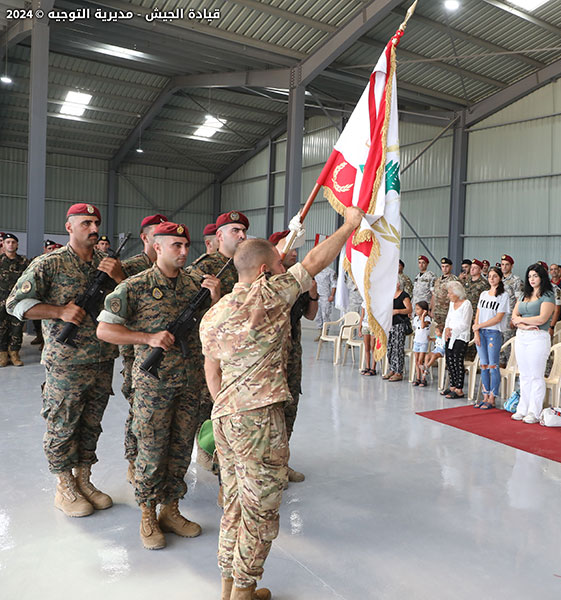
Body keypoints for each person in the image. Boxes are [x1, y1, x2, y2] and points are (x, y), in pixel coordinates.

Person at [200, 207, 363, 600]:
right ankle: (243, 591)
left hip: (224, 416)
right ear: (262, 273)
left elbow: (212, 370)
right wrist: (350, 226)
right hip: (258, 420)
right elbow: (313, 261)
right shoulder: (270, 298)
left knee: (236, 504)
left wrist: (226, 402)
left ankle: (228, 584)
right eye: (274, 267)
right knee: (260, 510)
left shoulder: (215, 313)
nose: (280, 271)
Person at [97, 222, 220, 549]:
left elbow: (214, 324)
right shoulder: (134, 287)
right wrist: (147, 338)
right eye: (175, 245)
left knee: (180, 450)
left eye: (185, 245)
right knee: (151, 453)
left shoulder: (196, 285)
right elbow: (105, 331)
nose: (182, 252)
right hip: (153, 387)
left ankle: (172, 510)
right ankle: (148, 515)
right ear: (157, 246)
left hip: (190, 383)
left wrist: (216, 298)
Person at [7, 203, 125, 516]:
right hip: (66, 361)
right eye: (86, 222)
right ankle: (64, 485)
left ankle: (84, 480)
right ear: (69, 227)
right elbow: (15, 304)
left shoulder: (108, 263)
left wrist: (121, 276)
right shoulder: (51, 263)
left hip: (102, 358)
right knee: (63, 423)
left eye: (96, 222)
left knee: (91, 423)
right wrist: (59, 311)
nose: (93, 227)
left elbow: (130, 303)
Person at [188, 210, 247, 473]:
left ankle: (233, 452)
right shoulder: (203, 268)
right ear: (220, 235)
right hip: (212, 351)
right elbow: (189, 313)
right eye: (236, 230)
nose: (242, 235)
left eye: (244, 231)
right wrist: (216, 300)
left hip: (241, 352)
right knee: (208, 402)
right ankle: (207, 451)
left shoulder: (248, 265)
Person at [119, 213, 169, 480]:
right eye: (155, 232)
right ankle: (133, 458)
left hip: (165, 354)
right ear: (146, 238)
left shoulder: (172, 268)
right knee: (137, 407)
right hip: (135, 350)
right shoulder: (131, 267)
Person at [271, 231, 318, 483]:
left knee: (290, 408)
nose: (295, 253)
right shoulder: (265, 279)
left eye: (297, 249)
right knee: (269, 411)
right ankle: (268, 466)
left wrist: (312, 293)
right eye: (290, 248)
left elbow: (310, 316)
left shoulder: (300, 281)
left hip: (293, 354)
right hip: (270, 356)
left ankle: (282, 463)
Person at [510, 264, 556, 423]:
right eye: (530, 276)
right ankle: (522, 409)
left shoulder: (548, 294)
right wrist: (524, 324)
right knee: (524, 375)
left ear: (542, 277)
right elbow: (514, 316)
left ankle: (534, 412)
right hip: (522, 336)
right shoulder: (524, 294)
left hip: (538, 337)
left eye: (535, 276)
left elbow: (542, 318)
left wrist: (522, 320)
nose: (532, 279)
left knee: (536, 376)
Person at [472, 266, 510, 409]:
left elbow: (498, 318)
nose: (491, 279)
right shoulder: (483, 294)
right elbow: (478, 313)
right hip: (481, 332)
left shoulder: (503, 295)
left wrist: (479, 325)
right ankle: (485, 395)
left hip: (493, 332)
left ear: (500, 278)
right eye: (489, 276)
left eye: (494, 276)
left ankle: (492, 397)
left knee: (493, 365)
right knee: (484, 365)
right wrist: (476, 330)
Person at [0, 233, 29, 367]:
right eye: (8, 242)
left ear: (17, 245)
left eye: (13, 242)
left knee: (17, 328)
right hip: (1, 300)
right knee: (1, 328)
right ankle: (2, 355)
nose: (10, 244)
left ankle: (14, 354)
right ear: (4, 245)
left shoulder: (23, 262)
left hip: (17, 301)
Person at [441, 281, 472, 399]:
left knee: (457, 361)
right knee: (449, 361)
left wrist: (452, 330)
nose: (448, 295)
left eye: (450, 293)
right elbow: (448, 318)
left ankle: (459, 389)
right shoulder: (451, 303)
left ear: (457, 293)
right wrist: (447, 330)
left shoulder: (466, 304)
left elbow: (465, 323)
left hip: (460, 337)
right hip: (450, 335)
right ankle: (452, 385)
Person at [385, 280, 412, 382]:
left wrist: (397, 311)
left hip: (399, 324)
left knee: (398, 348)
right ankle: (392, 368)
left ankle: (398, 371)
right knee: (390, 347)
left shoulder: (404, 295)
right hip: (389, 324)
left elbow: (409, 309)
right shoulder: (389, 294)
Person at [431, 257, 460, 339]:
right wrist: (432, 310)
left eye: (446, 266)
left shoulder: (454, 279)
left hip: (447, 311)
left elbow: (457, 296)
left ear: (451, 267)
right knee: (437, 333)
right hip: (437, 312)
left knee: (446, 333)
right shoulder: (437, 280)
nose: (444, 268)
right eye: (443, 266)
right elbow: (434, 295)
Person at [313, 263, 337, 340]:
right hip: (317, 296)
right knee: (318, 316)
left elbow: (334, 284)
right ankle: (320, 333)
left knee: (325, 315)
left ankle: (325, 334)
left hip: (326, 297)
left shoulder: (330, 271)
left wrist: (332, 295)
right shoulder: (315, 271)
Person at [412, 301, 432, 386]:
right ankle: (418, 377)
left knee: (420, 361)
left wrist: (423, 316)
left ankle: (424, 378)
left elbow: (423, 326)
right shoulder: (416, 319)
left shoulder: (428, 319)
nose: (416, 311)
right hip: (416, 341)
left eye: (418, 309)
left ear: (424, 310)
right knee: (416, 360)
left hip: (423, 342)